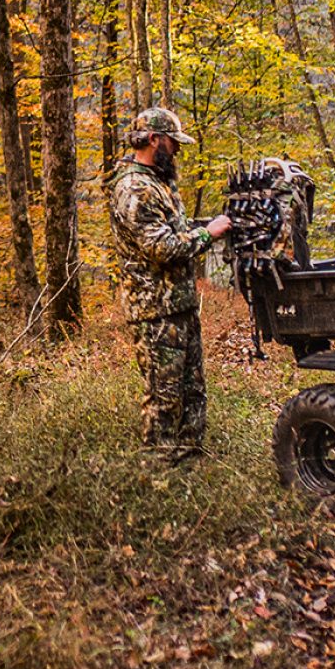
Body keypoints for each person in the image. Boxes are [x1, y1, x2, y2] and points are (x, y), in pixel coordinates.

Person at [108, 107, 232, 461]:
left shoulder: (158, 183)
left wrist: (208, 226)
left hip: (179, 304)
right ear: (152, 140)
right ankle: (159, 470)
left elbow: (176, 229)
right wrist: (207, 236)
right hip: (155, 312)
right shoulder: (134, 188)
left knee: (192, 389)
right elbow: (162, 247)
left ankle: (191, 459)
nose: (177, 151)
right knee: (164, 395)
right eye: (172, 143)